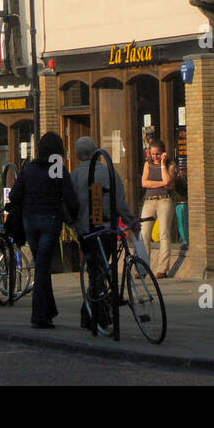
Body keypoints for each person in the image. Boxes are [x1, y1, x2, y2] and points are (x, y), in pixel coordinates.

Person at [7, 132, 76, 329]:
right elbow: (69, 197)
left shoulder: (29, 168)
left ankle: (48, 310)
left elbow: (14, 194)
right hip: (50, 220)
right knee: (43, 267)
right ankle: (39, 315)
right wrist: (73, 216)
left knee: (41, 264)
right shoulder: (57, 169)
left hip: (30, 221)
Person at [70, 136, 135, 332]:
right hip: (108, 228)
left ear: (78, 155)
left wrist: (73, 223)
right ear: (95, 152)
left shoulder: (75, 176)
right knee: (101, 269)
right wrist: (130, 220)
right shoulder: (109, 172)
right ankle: (93, 313)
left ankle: (95, 315)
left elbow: (69, 204)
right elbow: (120, 201)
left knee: (95, 270)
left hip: (87, 230)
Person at [140, 140, 176, 277]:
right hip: (149, 201)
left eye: (158, 154)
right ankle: (143, 267)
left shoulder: (170, 165)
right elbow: (144, 183)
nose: (155, 157)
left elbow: (168, 182)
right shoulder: (147, 164)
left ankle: (162, 269)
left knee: (164, 234)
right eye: (153, 154)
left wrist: (162, 165)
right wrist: (161, 183)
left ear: (163, 153)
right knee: (144, 234)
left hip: (164, 200)